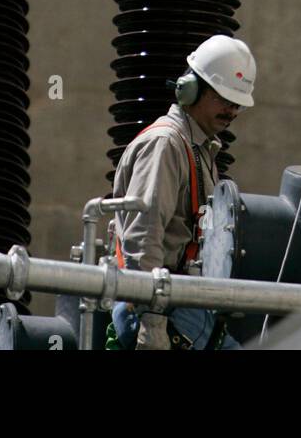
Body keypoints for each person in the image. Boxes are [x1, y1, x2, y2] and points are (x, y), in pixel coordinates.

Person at [106, 34, 256, 351]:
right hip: (156, 307)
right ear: (190, 88)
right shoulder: (165, 145)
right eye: (223, 99)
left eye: (237, 104)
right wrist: (152, 323)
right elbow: (143, 239)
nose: (231, 111)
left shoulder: (199, 150)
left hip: (179, 303)